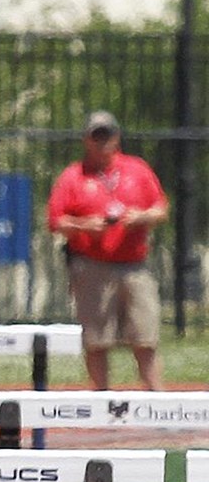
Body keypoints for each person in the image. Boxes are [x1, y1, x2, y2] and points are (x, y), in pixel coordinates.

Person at [47, 110, 169, 391]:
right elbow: (56, 221)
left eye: (108, 134)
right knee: (97, 340)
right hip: (91, 265)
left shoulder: (137, 169)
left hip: (135, 264)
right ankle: (102, 403)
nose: (102, 141)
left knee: (145, 337)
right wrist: (84, 226)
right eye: (96, 135)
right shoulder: (73, 176)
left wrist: (141, 217)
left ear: (117, 138)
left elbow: (160, 209)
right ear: (86, 140)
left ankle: (158, 401)